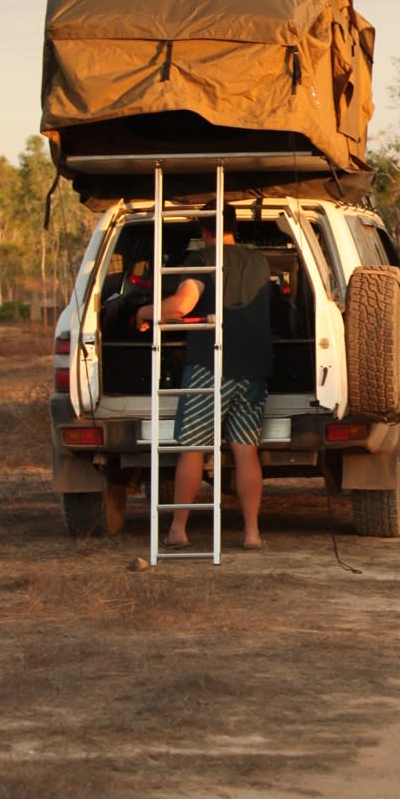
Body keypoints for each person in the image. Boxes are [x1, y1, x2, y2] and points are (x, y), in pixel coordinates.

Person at [135, 207, 273, 549]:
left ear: (203, 227)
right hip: (254, 369)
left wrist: (143, 312)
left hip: (211, 367)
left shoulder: (202, 258)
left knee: (194, 448)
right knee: (246, 453)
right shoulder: (259, 262)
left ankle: (178, 528)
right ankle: (252, 533)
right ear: (234, 226)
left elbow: (180, 306)